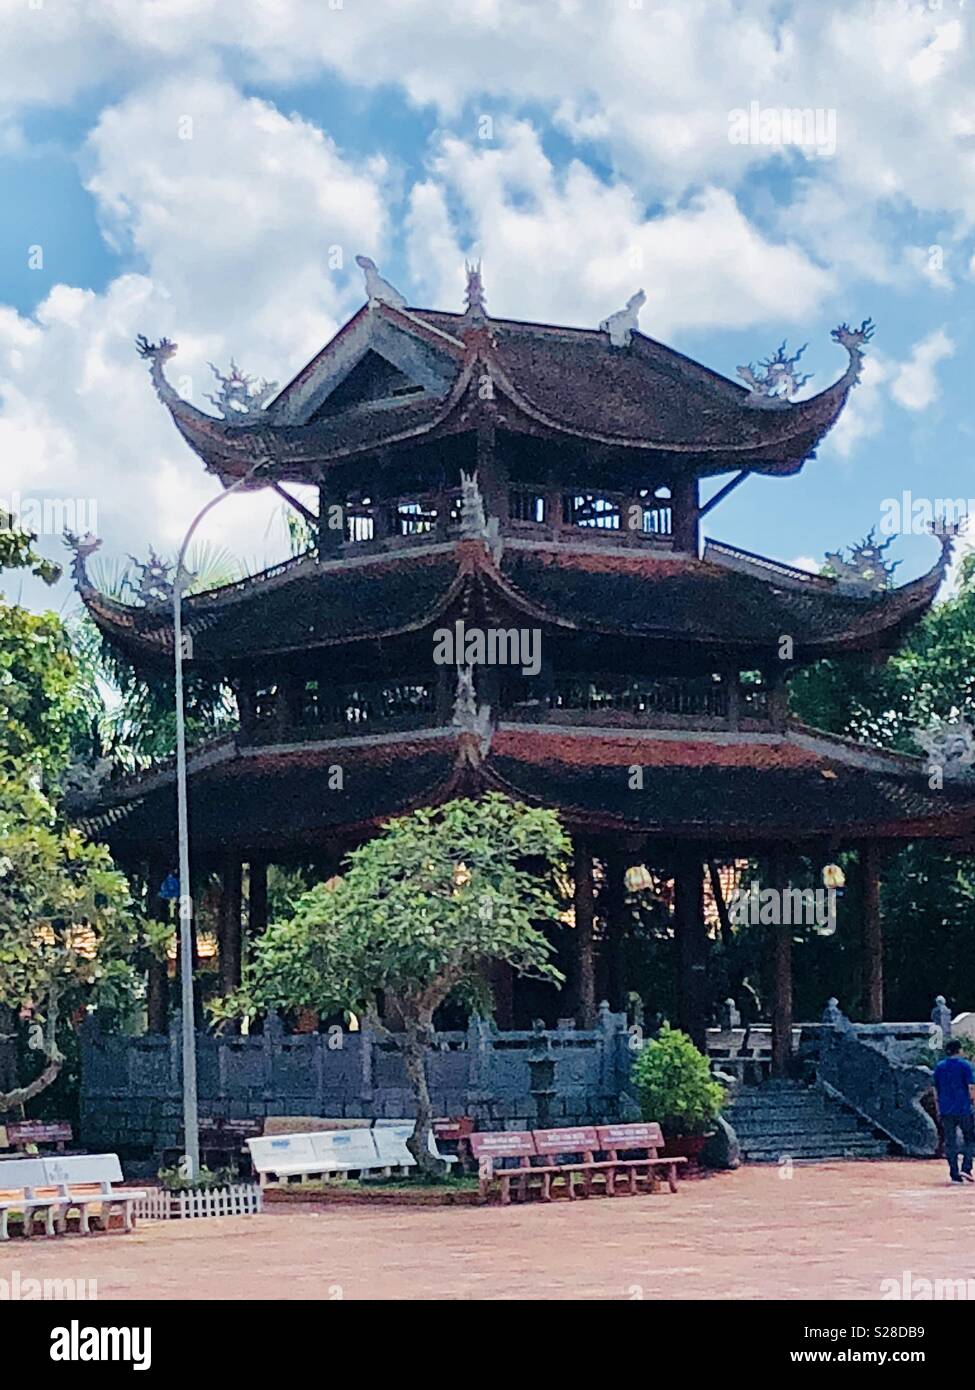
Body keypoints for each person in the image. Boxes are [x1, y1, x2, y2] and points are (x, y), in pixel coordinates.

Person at [933, 1039, 975, 1184]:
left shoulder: (940, 1067)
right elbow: (971, 1087)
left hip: (946, 1109)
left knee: (950, 1142)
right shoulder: (965, 1066)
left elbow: (935, 1089)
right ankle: (966, 1167)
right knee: (970, 1139)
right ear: (959, 1050)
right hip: (963, 1108)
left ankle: (954, 1174)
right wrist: (973, 1102)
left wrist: (938, 1107)